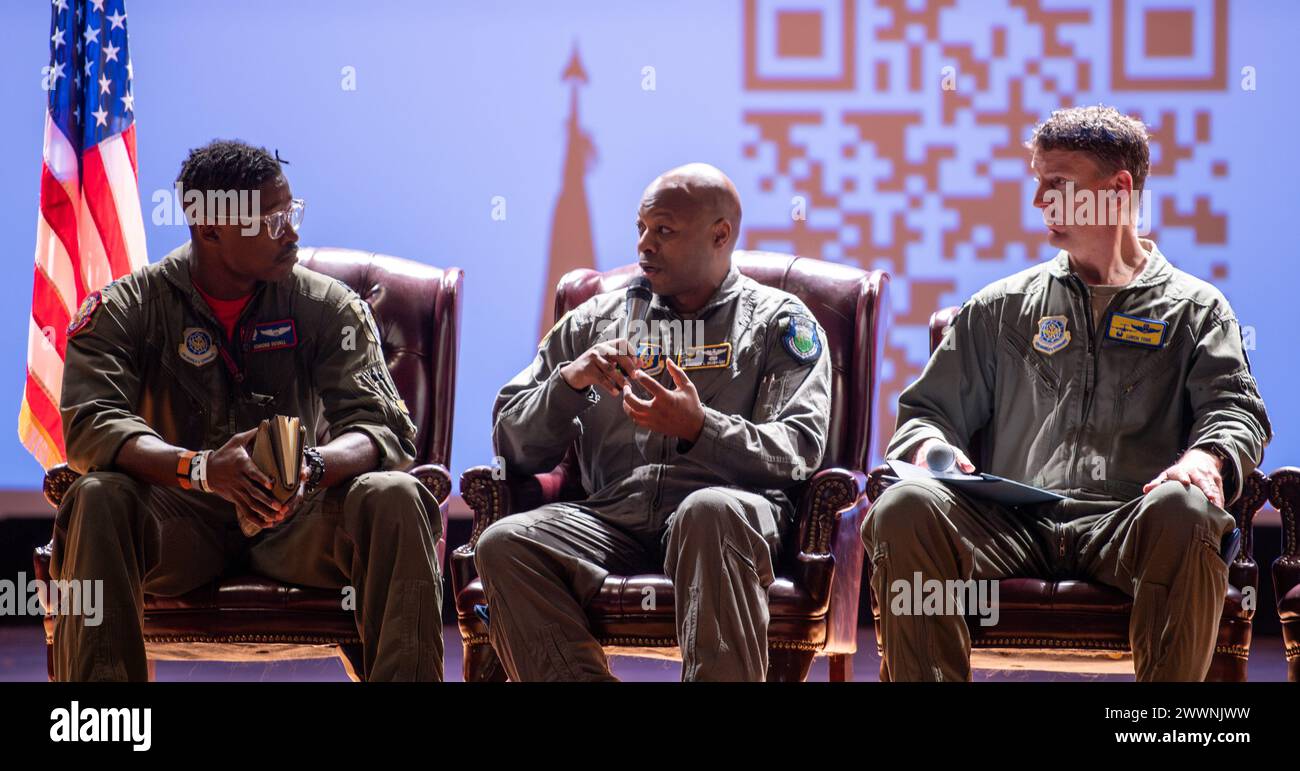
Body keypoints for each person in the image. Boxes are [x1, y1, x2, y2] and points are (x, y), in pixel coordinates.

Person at [863, 105, 1271, 681]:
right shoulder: (1002, 306)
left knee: (1185, 509)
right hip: (1013, 526)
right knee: (905, 506)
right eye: (1036, 183)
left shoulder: (1196, 309)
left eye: (1055, 184)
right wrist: (932, 449)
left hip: (1129, 525)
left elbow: (1235, 410)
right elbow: (926, 413)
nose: (1038, 202)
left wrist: (1206, 456)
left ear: (1118, 189)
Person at [52, 139, 443, 681]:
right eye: (272, 219)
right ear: (209, 229)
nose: (292, 231)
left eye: (292, 212)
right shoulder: (128, 307)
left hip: (299, 521)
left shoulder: (327, 306)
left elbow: (382, 427)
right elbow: (90, 426)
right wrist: (201, 470)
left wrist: (313, 466)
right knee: (98, 496)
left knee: (395, 492)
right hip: (182, 521)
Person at [476, 163, 832, 681]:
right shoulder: (594, 320)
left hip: (725, 518)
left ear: (720, 235)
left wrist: (699, 429)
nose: (645, 245)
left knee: (707, 510)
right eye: (641, 229)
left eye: (663, 231)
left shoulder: (780, 323)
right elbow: (511, 444)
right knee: (505, 543)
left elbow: (798, 451)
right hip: (612, 518)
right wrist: (567, 385)